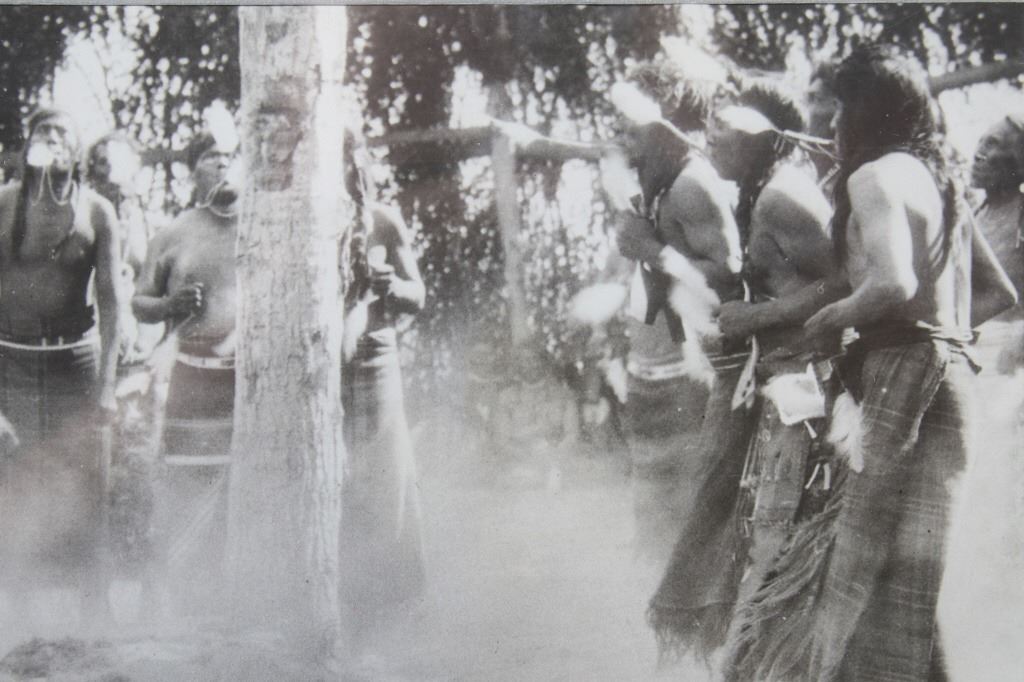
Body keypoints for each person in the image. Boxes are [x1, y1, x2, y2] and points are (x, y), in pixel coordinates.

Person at [730, 46, 1017, 681]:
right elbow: (1000, 295)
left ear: (865, 111)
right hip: (944, 387)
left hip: (898, 378)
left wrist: (834, 319)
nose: (829, 126)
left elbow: (891, 281)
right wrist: (939, 343)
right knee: (905, 579)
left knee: (848, 570)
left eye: (837, 110)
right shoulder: (936, 179)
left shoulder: (873, 176)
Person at [0, 108, 122, 624]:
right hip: (14, 363)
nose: (51, 139)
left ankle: (99, 627)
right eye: (41, 131)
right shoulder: (4, 205)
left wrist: (108, 387)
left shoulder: (96, 212)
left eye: (62, 133)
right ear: (27, 146)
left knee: (87, 489)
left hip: (77, 363)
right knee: (17, 489)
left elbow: (114, 305)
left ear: (77, 153)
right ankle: (21, 629)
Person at [132, 127, 240, 614]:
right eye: (212, 157)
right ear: (192, 168)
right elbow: (139, 301)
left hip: (250, 380)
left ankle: (234, 604)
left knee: (241, 489)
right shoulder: (172, 233)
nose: (223, 165)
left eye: (229, 156)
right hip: (192, 376)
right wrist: (171, 303)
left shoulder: (263, 226)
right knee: (184, 490)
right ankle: (178, 606)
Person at [337, 129, 427, 646]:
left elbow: (418, 293)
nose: (346, 167)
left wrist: (392, 287)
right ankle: (344, 607)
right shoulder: (301, 222)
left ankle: (391, 615)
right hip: (320, 367)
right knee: (338, 481)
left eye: (351, 157)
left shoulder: (382, 219)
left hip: (374, 358)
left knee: (385, 479)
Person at [969, 114, 1024, 373]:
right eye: (980, 142)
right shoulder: (975, 213)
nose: (978, 153)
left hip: (1009, 354)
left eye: (992, 144)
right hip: (968, 349)